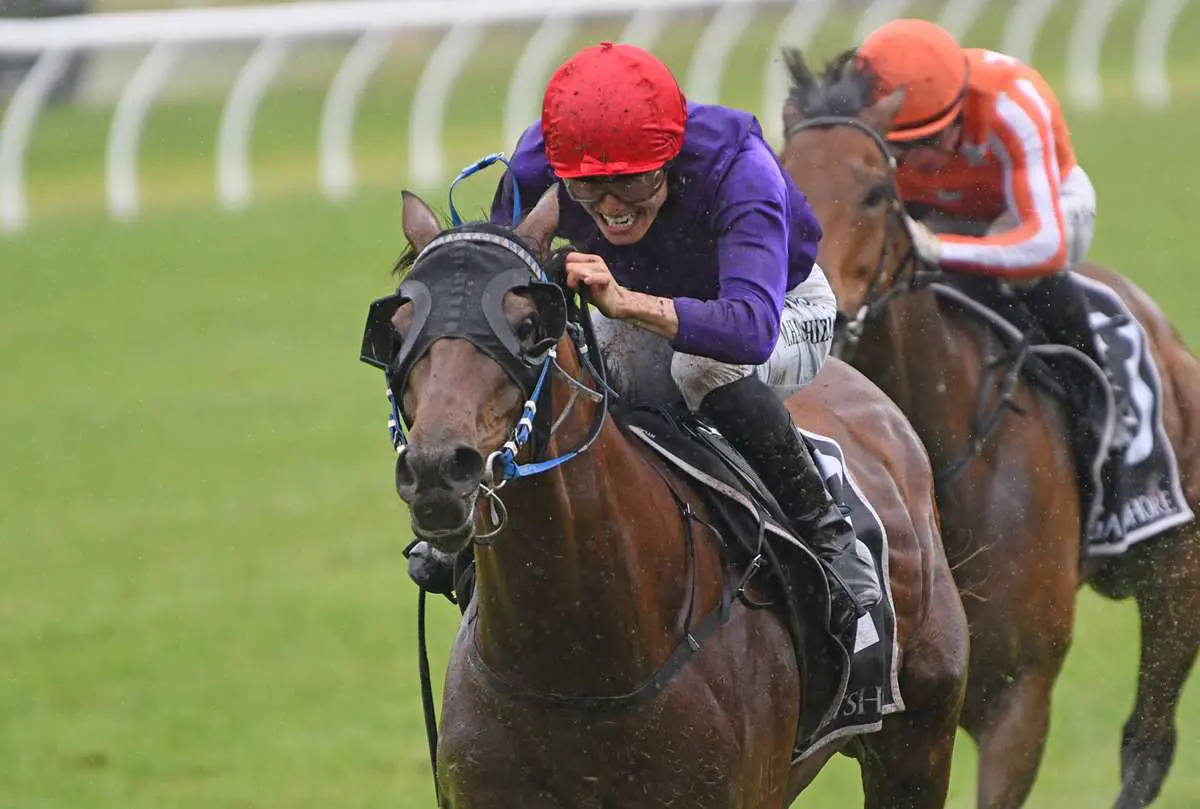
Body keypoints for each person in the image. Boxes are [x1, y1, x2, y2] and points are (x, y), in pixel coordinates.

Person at [406, 41, 881, 637]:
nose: (611, 207)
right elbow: (500, 294)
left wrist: (627, 303)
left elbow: (749, 330)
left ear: (670, 158)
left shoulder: (741, 170)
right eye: (587, 188)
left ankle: (828, 533)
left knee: (698, 367)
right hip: (637, 300)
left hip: (780, 307)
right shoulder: (538, 165)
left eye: (632, 182)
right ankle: (476, 514)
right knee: (558, 358)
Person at [855, 18, 1133, 445]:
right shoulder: (857, 119)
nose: (921, 162)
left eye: (931, 140)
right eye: (901, 148)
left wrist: (936, 248)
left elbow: (1045, 246)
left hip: (1033, 210)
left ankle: (1097, 397)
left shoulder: (1012, 102)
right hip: (934, 212)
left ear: (960, 111)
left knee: (1028, 275)